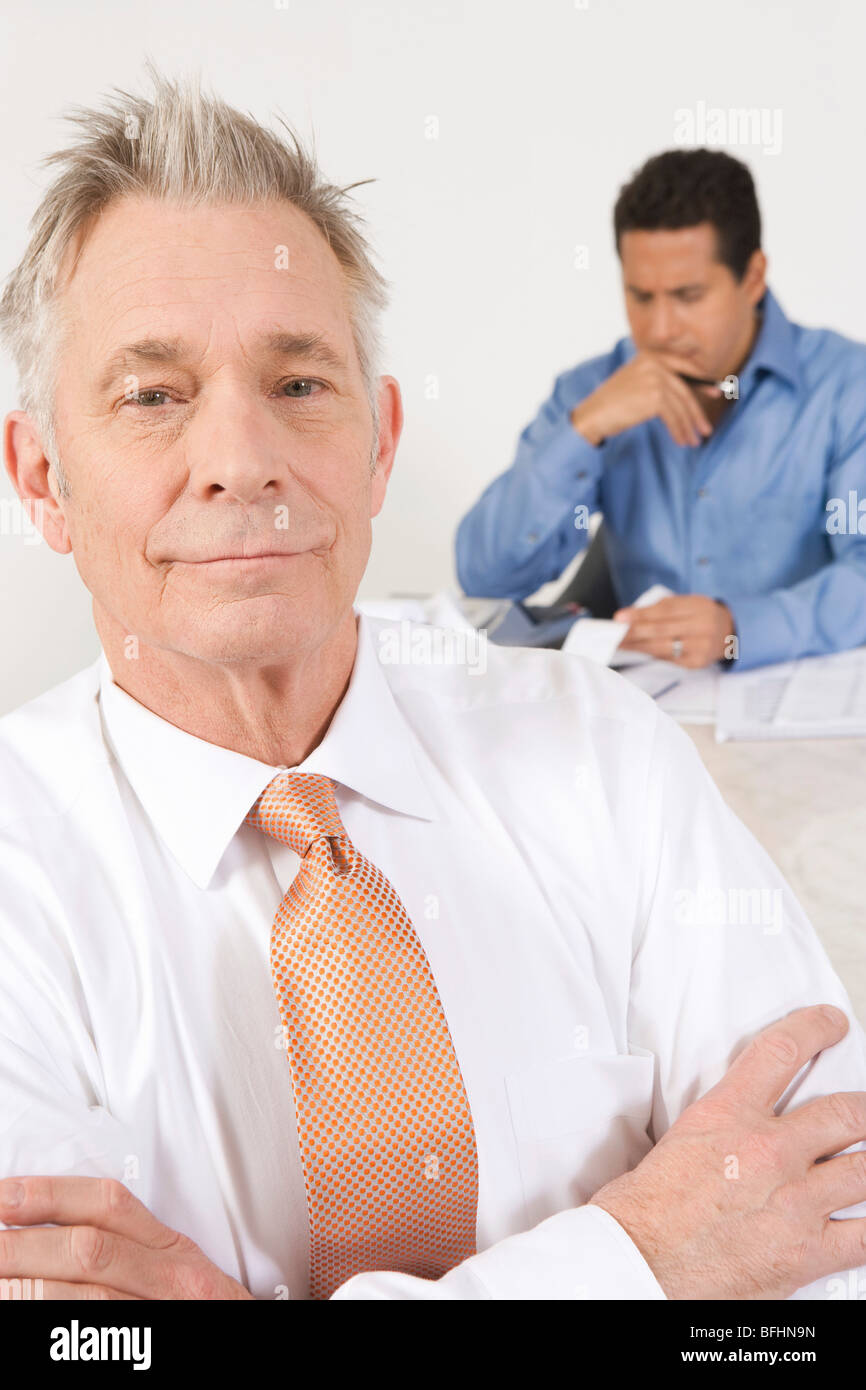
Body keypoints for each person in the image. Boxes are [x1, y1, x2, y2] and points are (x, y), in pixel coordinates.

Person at [0, 68, 864, 1301]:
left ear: (379, 441)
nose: (241, 460)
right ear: (42, 479)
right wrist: (644, 1259)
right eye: (152, 396)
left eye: (300, 383)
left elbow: (827, 1245)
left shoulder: (604, 755)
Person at [455, 149, 866, 672]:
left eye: (688, 295)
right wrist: (586, 430)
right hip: (643, 717)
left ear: (754, 277)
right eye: (641, 296)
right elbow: (486, 579)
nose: (661, 329)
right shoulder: (591, 391)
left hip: (805, 717)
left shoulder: (849, 386)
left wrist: (739, 627)